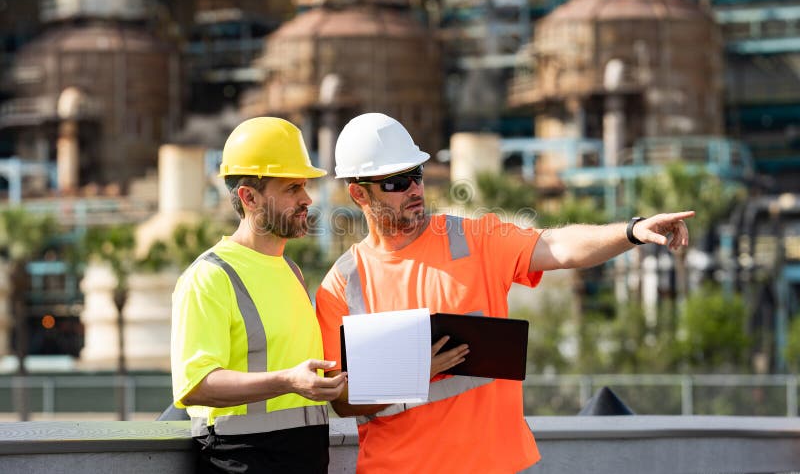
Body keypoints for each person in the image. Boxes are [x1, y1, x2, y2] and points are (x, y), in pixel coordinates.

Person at [315, 112, 694, 473]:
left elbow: (559, 246)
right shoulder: (342, 286)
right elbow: (343, 402)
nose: (414, 189)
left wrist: (630, 231)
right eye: (396, 183)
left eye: (416, 175)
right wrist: (415, 372)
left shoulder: (475, 240)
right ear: (359, 195)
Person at [170, 116, 347, 473]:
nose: (307, 199)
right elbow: (196, 385)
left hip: (306, 457)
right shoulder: (210, 276)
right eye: (292, 188)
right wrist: (288, 380)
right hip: (241, 460)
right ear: (249, 197)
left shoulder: (291, 271)